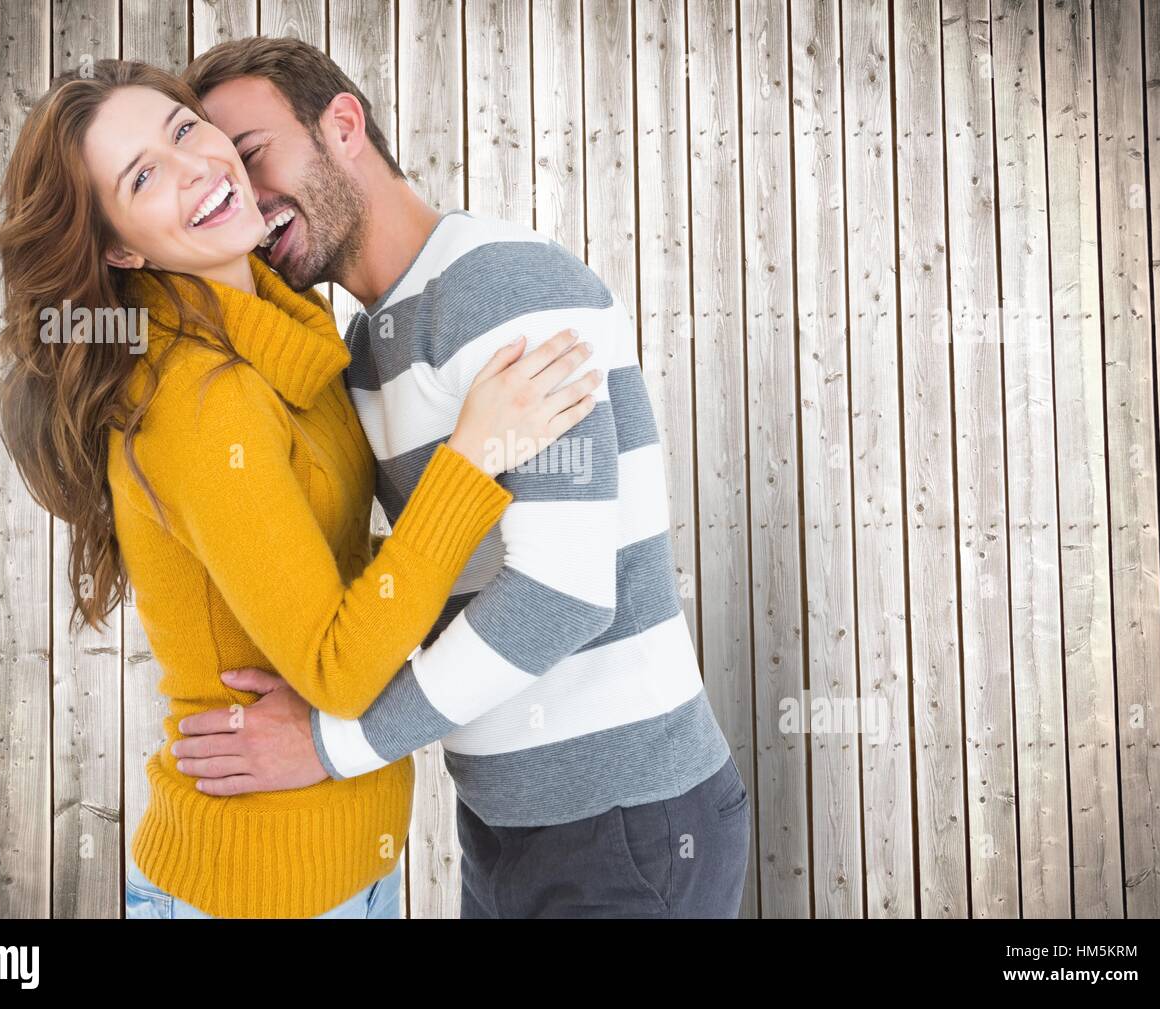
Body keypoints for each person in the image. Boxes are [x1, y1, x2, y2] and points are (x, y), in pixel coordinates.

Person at [0, 58, 603, 918]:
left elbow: (338, 571)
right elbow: (338, 670)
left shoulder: (283, 340)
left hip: (345, 867)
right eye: (143, 176)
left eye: (183, 129)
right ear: (121, 245)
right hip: (254, 886)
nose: (196, 165)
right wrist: (471, 457)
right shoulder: (203, 398)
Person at [173, 36, 752, 918]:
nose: (247, 202)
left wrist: (331, 743)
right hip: (503, 824)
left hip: (629, 824)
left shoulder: (498, 287)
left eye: (252, 156)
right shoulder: (366, 355)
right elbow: (425, 564)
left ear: (342, 124)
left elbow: (565, 594)